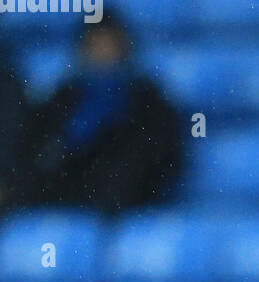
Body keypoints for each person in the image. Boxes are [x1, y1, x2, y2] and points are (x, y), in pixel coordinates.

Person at [19, 11, 182, 213]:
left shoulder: (149, 101)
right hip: (66, 205)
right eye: (94, 45)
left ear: (125, 48)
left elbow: (162, 161)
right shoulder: (64, 98)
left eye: (110, 46)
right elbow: (38, 156)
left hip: (132, 208)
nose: (103, 54)